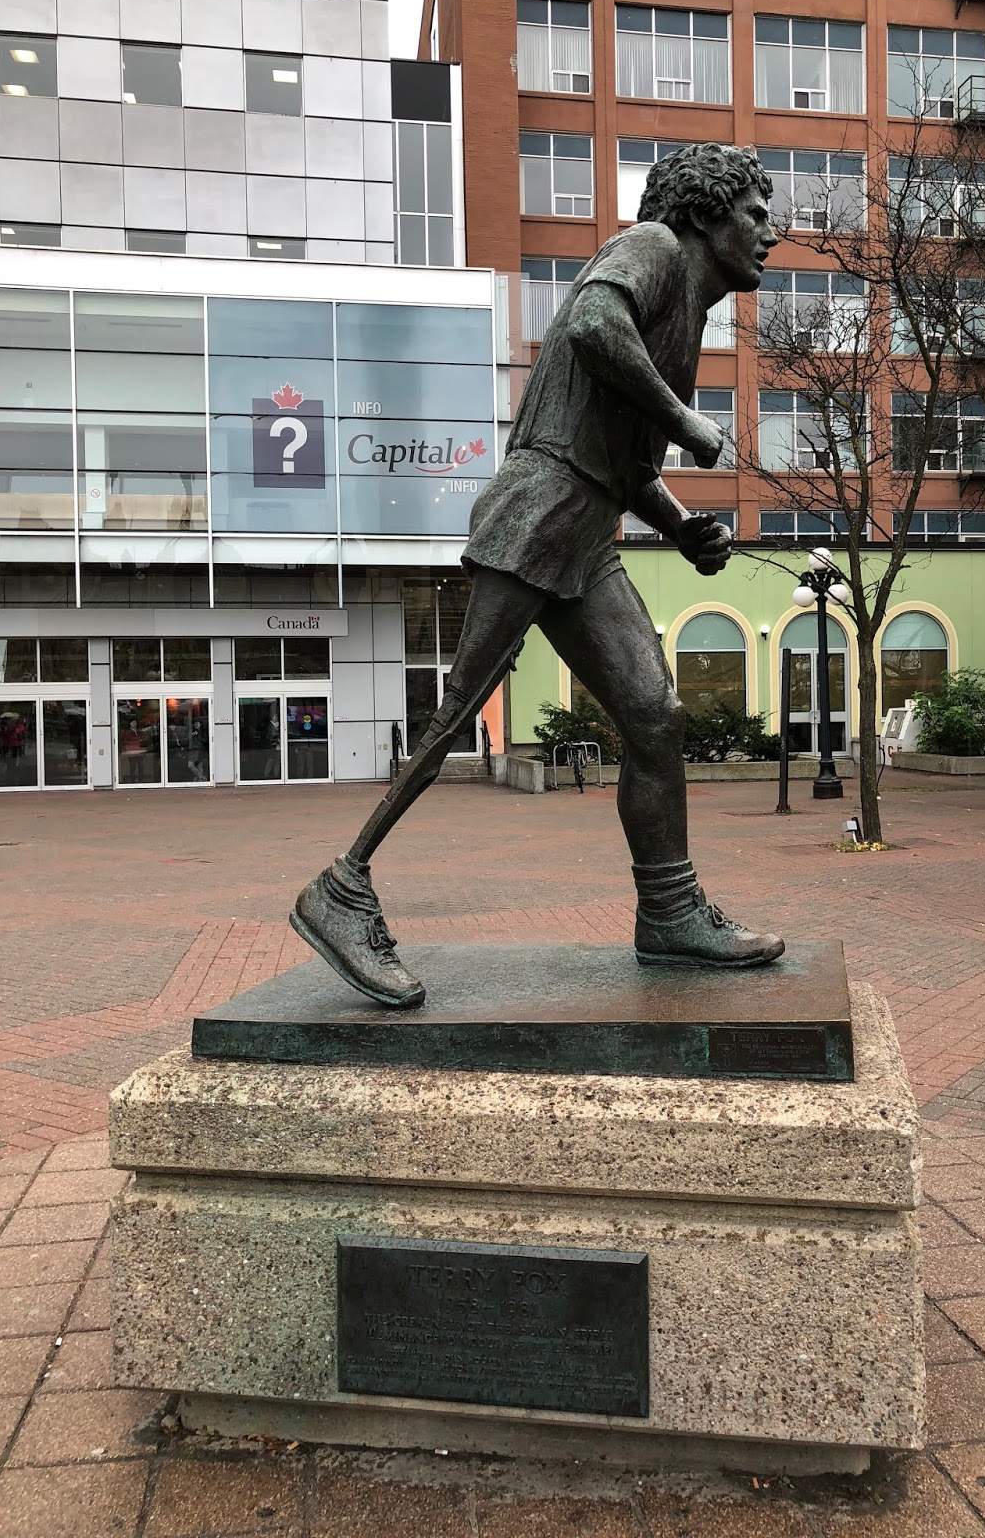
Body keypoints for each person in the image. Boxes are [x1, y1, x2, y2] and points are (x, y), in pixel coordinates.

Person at [292, 142, 785, 1007]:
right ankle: (339, 890)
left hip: (587, 535)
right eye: (756, 213)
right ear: (708, 215)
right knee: (456, 714)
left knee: (655, 716)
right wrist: (685, 420)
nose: (770, 233)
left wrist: (681, 527)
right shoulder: (654, 249)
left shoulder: (687, 319)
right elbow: (593, 326)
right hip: (541, 506)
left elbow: (628, 467)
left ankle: (670, 913)